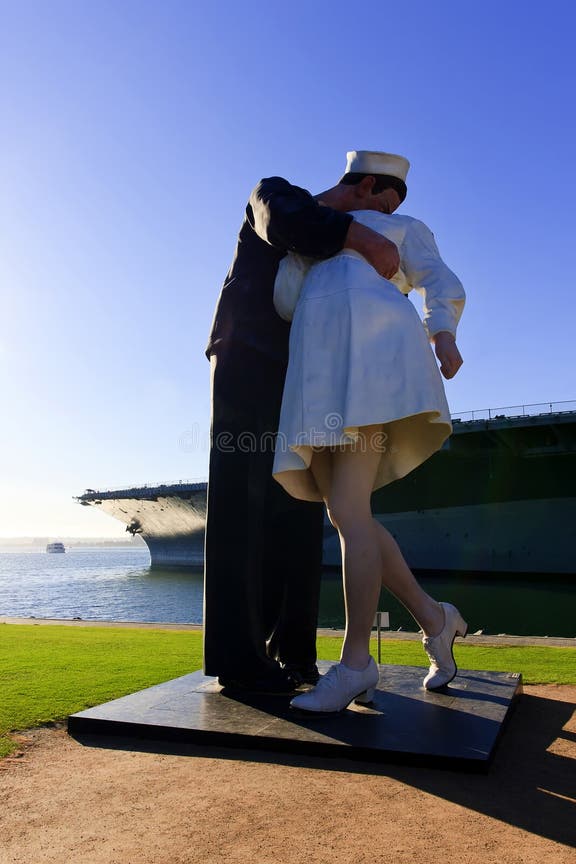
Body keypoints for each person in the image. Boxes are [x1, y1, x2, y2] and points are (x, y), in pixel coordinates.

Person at [271, 150, 468, 712]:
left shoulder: (405, 230)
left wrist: (443, 332)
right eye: (388, 195)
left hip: (374, 360)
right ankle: (436, 618)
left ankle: (356, 662)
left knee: (350, 517)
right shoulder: (322, 233)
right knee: (346, 515)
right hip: (321, 367)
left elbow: (438, 278)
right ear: (366, 186)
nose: (393, 206)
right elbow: (286, 299)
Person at [204, 159, 401, 693]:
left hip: (304, 376)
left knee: (302, 506)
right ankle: (240, 659)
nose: (381, 224)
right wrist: (365, 239)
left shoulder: (335, 254)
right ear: (364, 185)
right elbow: (283, 219)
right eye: (380, 208)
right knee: (242, 502)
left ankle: (293, 651)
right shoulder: (275, 192)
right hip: (248, 359)